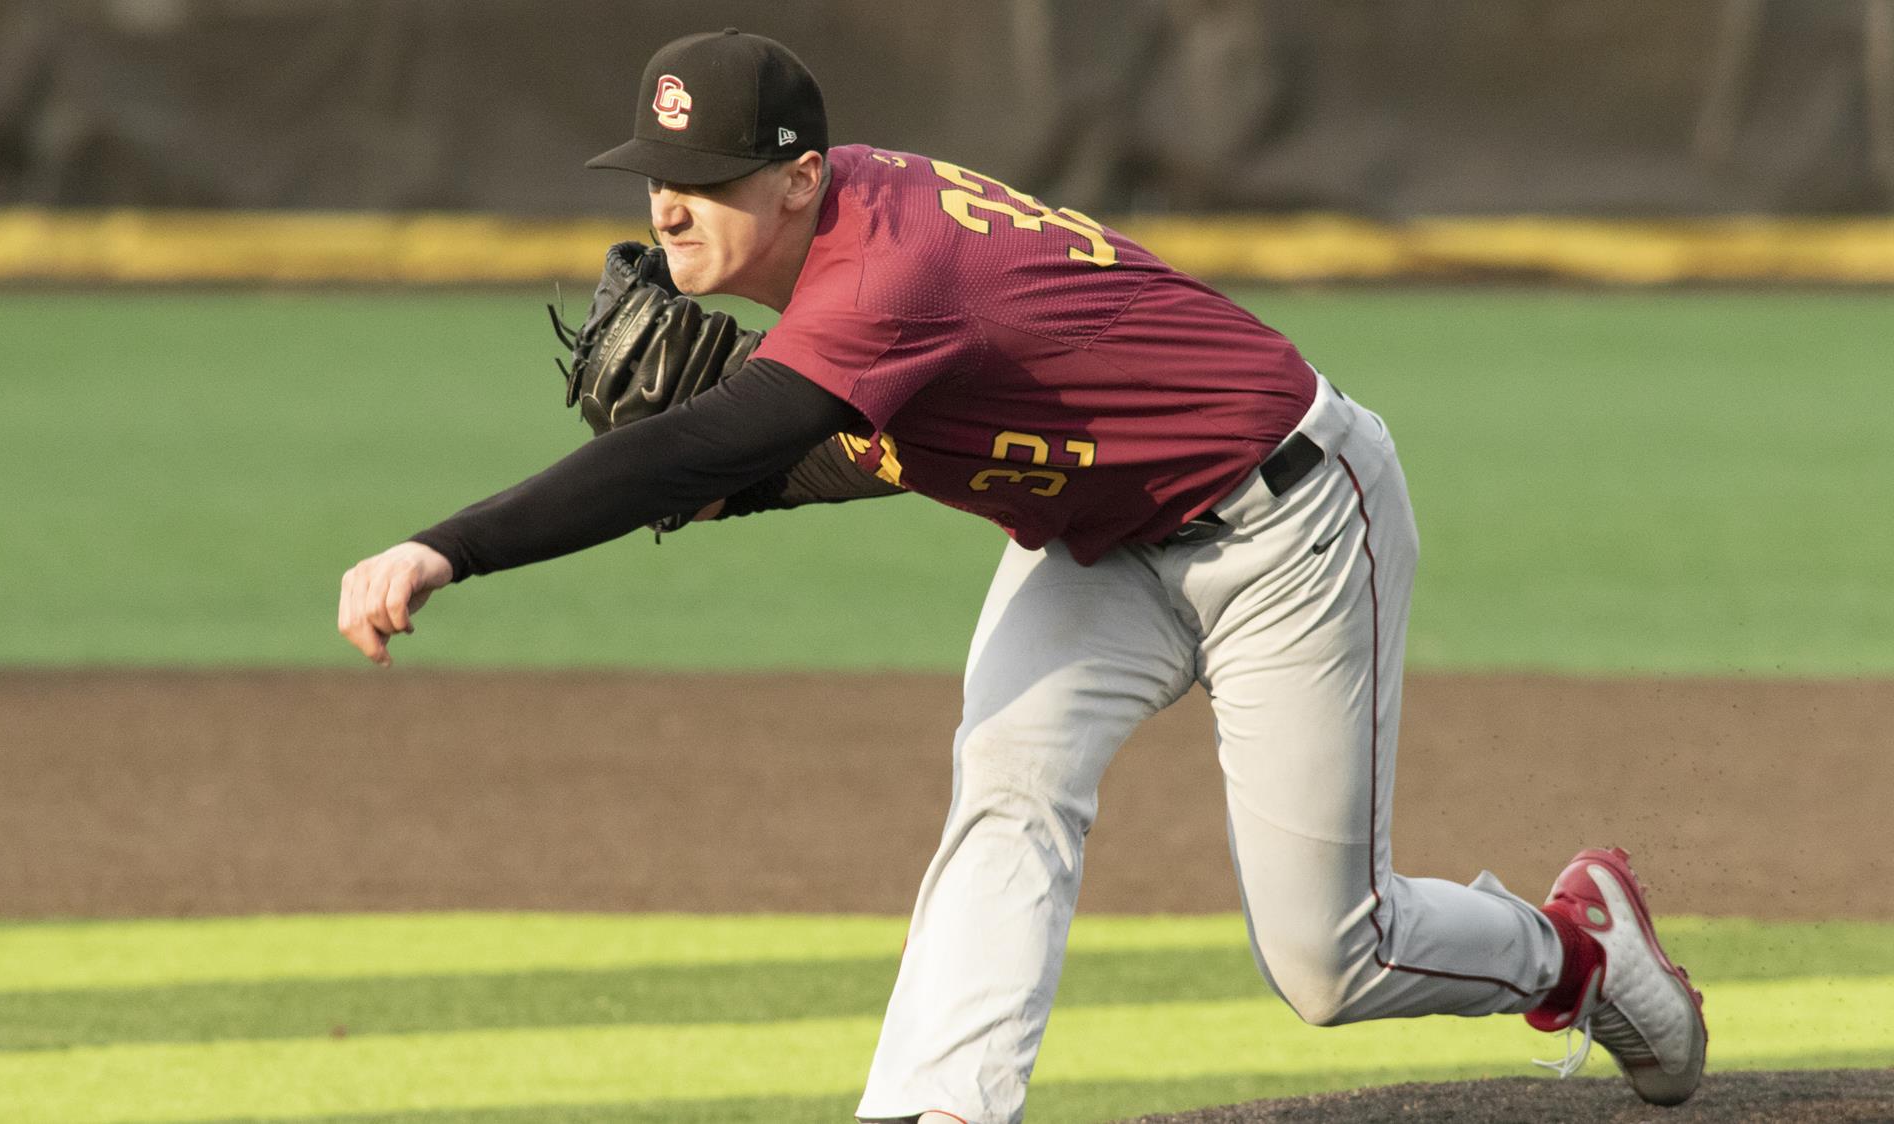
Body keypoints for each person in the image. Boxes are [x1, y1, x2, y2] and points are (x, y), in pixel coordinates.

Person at [336, 29, 1706, 1124]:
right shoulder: (847, 247)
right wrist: (738, 472)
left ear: (803, 176)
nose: (667, 206)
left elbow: (719, 436)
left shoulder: (886, 271)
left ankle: (1575, 949)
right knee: (1008, 788)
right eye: (656, 172)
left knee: (1331, 961)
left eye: (708, 176)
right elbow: (873, 440)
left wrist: (448, 545)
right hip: (1098, 541)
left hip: (1285, 521)